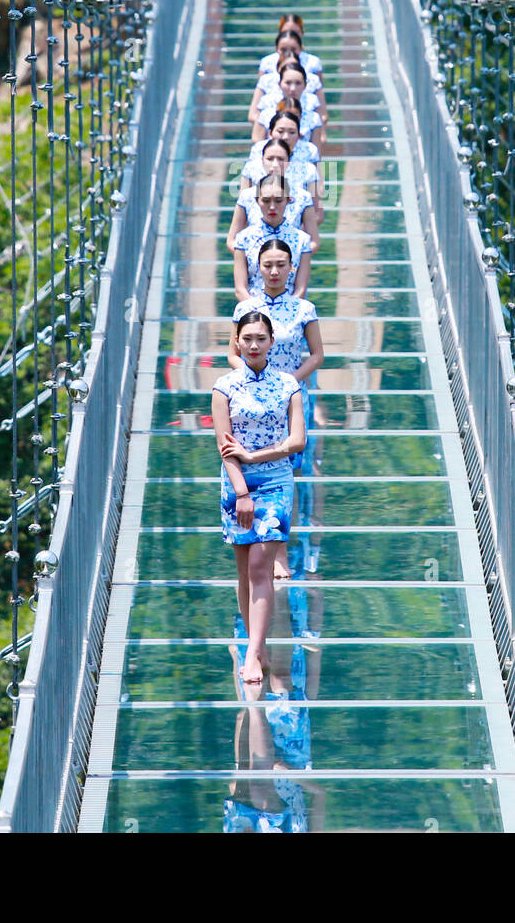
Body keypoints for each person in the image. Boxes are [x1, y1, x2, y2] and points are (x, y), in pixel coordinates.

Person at [212, 310, 306, 683]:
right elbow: (223, 446)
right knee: (243, 572)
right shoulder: (223, 387)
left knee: (259, 566)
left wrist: (255, 456)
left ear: (272, 342)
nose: (253, 345)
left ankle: (252, 655)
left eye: (261, 339)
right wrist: (241, 492)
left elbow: (297, 441)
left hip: (277, 482)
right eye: (247, 338)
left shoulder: (288, 385)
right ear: (237, 341)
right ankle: (257, 644)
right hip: (236, 486)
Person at [230, 239, 324, 580]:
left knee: (285, 472)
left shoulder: (304, 308)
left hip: (290, 397)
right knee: (251, 467)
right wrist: (247, 380)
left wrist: (287, 384)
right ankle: (256, 541)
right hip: (250, 397)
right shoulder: (245, 310)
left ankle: (279, 550)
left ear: (291, 268)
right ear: (258, 267)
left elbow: (317, 354)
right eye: (267, 265)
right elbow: (232, 352)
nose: (273, 271)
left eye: (281, 265)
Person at [227, 139, 318, 251]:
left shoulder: (303, 197)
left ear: (289, 161)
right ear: (262, 161)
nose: (275, 164)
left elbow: (313, 241)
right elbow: (232, 240)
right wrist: (252, 259)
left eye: (281, 159)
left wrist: (291, 260)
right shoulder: (247, 196)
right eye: (270, 159)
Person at [232, 176, 314, 300]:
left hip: (292, 313)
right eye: (265, 200)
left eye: (278, 200)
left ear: (288, 200)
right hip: (253, 314)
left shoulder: (302, 240)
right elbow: (240, 289)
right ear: (256, 200)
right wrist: (258, 313)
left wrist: (285, 311)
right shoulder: (243, 239)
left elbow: (301, 289)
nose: (272, 206)